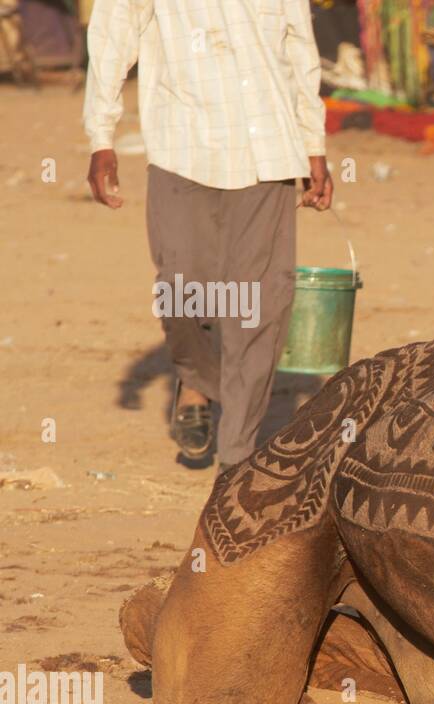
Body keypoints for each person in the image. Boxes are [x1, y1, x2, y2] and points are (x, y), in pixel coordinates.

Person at [83, 0, 332, 474]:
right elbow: (113, 34)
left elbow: (301, 51)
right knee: (183, 286)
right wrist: (101, 138)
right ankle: (195, 380)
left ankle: (236, 457)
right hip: (182, 147)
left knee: (258, 305)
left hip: (269, 151)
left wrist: (313, 145)